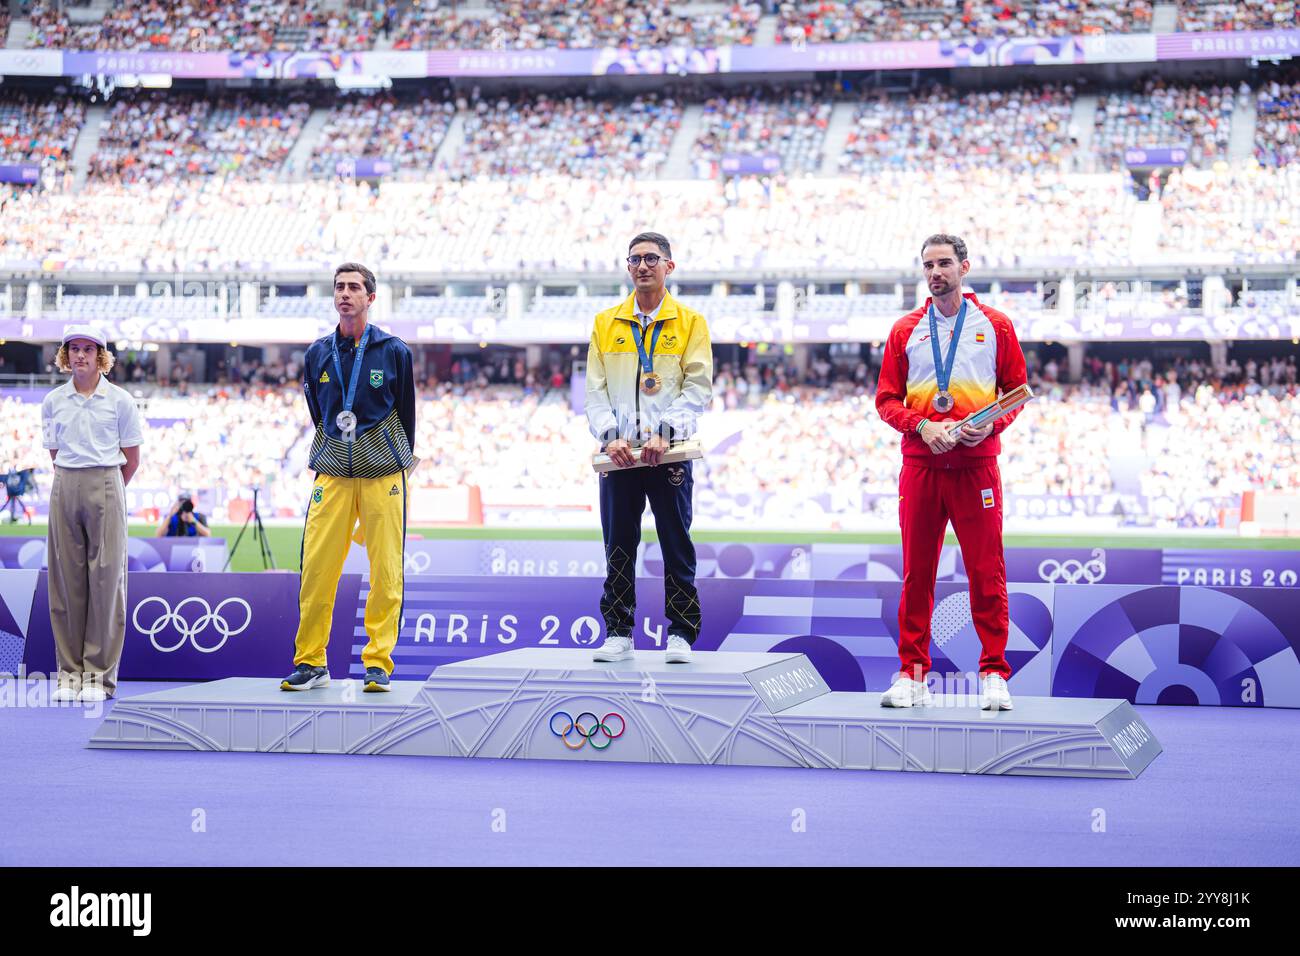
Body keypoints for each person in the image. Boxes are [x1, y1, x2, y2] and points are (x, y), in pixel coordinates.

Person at [875, 234, 1028, 711]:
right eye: (928, 265)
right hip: (921, 466)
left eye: (944, 263)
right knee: (917, 574)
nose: (936, 272)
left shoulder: (996, 325)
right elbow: (885, 401)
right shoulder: (906, 330)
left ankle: (993, 674)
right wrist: (921, 424)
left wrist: (991, 426)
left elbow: (1018, 390)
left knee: (986, 571)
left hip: (975, 467)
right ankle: (913, 675)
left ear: (965, 266)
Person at [280, 263, 416, 693]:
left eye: (354, 288)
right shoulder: (317, 353)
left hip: (383, 474)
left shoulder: (395, 350)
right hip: (332, 473)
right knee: (318, 568)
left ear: (370, 298)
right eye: (339, 287)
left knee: (386, 571)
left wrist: (390, 458)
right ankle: (311, 660)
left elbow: (407, 414)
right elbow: (320, 415)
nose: (345, 294)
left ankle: (377, 662)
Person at [585, 232, 713, 664]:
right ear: (627, 266)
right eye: (635, 259)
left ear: (668, 266)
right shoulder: (606, 323)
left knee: (676, 540)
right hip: (620, 454)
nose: (643, 266)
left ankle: (680, 632)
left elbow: (697, 387)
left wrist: (665, 431)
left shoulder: (691, 322)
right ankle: (619, 631)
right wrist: (610, 435)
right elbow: (594, 392)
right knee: (618, 542)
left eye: (652, 258)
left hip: (667, 452)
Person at [40, 326, 143, 702]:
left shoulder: (120, 400)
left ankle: (98, 677)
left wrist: (107, 488)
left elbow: (131, 460)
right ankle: (69, 674)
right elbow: (54, 454)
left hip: (107, 481)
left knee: (106, 583)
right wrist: (75, 480)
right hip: (65, 482)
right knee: (66, 583)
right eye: (74, 349)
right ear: (65, 355)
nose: (80, 355)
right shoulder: (53, 401)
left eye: (88, 349)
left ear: (100, 355)